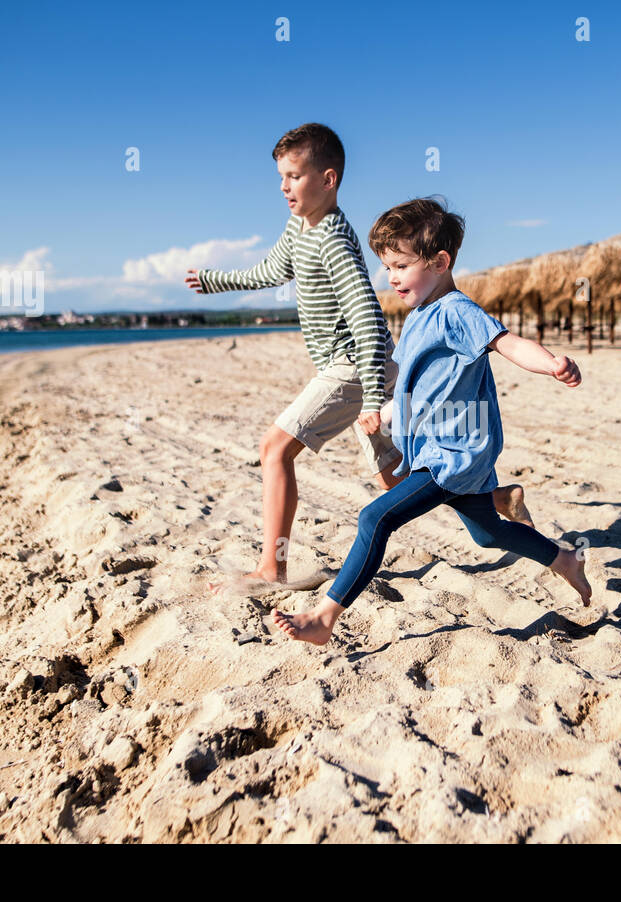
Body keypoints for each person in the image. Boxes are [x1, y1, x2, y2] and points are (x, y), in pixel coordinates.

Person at [186, 124, 532, 592]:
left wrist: (371, 398)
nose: (284, 186)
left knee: (275, 449)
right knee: (395, 478)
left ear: (328, 179)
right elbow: (272, 270)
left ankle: (271, 568)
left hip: (354, 366)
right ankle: (495, 499)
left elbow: (368, 317)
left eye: (294, 176)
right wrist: (215, 281)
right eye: (281, 177)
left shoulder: (333, 239)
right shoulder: (299, 228)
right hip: (366, 369)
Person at [271, 198, 591, 645]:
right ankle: (564, 559)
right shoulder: (419, 315)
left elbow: (508, 343)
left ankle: (324, 617)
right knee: (488, 534)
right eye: (387, 266)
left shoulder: (458, 311)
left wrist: (553, 363)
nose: (391, 276)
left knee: (374, 519)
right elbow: (415, 384)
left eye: (401, 266)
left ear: (440, 262)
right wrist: (384, 414)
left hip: (453, 454)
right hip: (432, 449)